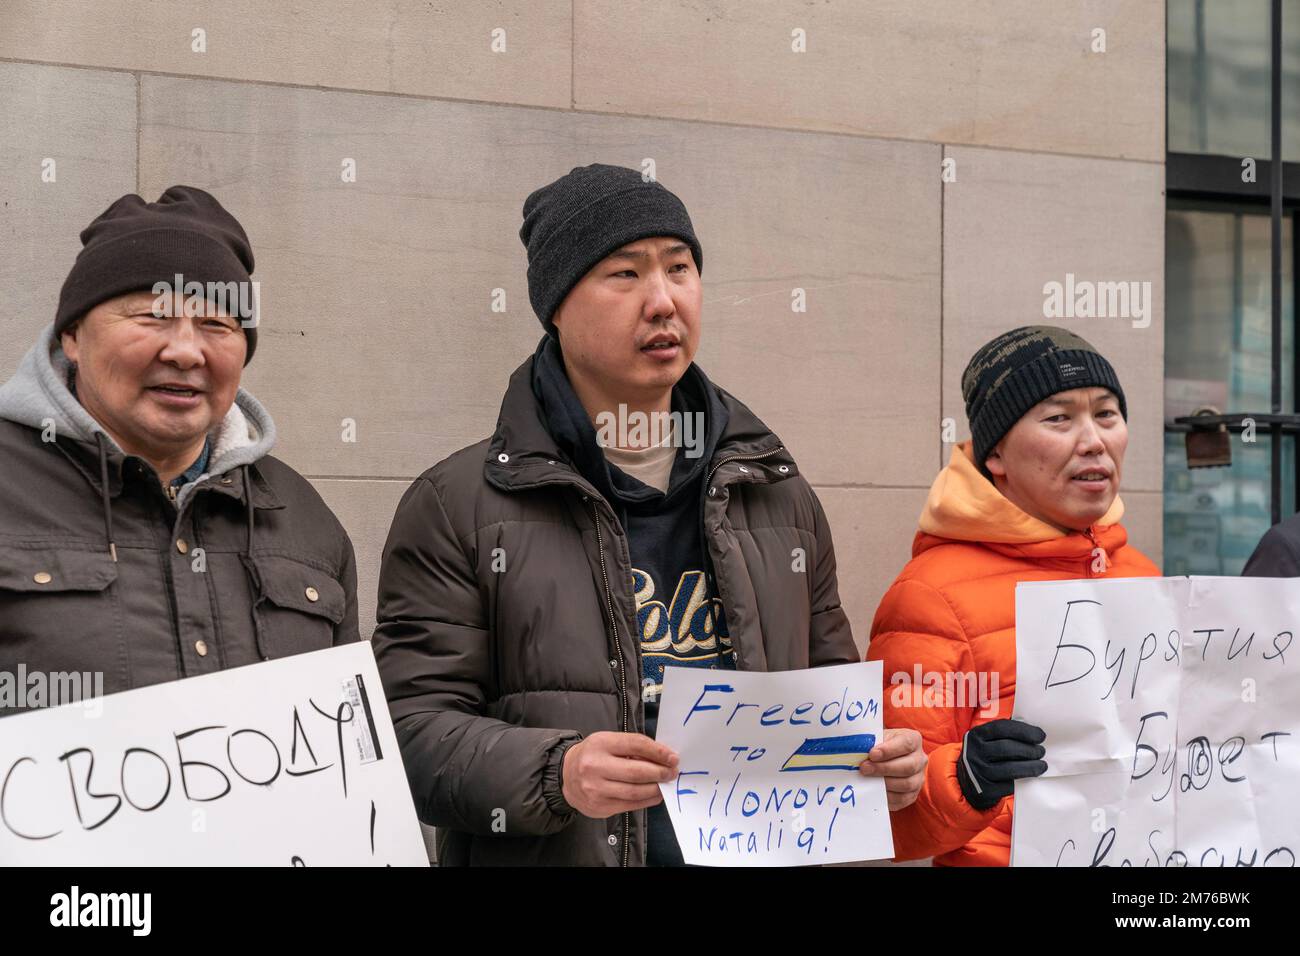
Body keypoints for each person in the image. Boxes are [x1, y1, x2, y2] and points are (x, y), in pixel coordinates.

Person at [372, 163, 925, 866]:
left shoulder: (776, 494)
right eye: (625, 274)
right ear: (557, 308)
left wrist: (882, 761)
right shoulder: (457, 506)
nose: (663, 301)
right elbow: (406, 734)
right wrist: (557, 773)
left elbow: (828, 707)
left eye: (680, 268)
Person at [0, 185, 359, 716]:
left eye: (216, 324)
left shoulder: (302, 518)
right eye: (152, 316)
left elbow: (347, 735)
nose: (187, 351)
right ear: (72, 335)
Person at [867, 326, 1159, 866]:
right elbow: (883, 818)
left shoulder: (1142, 574)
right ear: (996, 453)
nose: (1093, 441)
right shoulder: (929, 596)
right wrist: (965, 779)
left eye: (1106, 414)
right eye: (1058, 419)